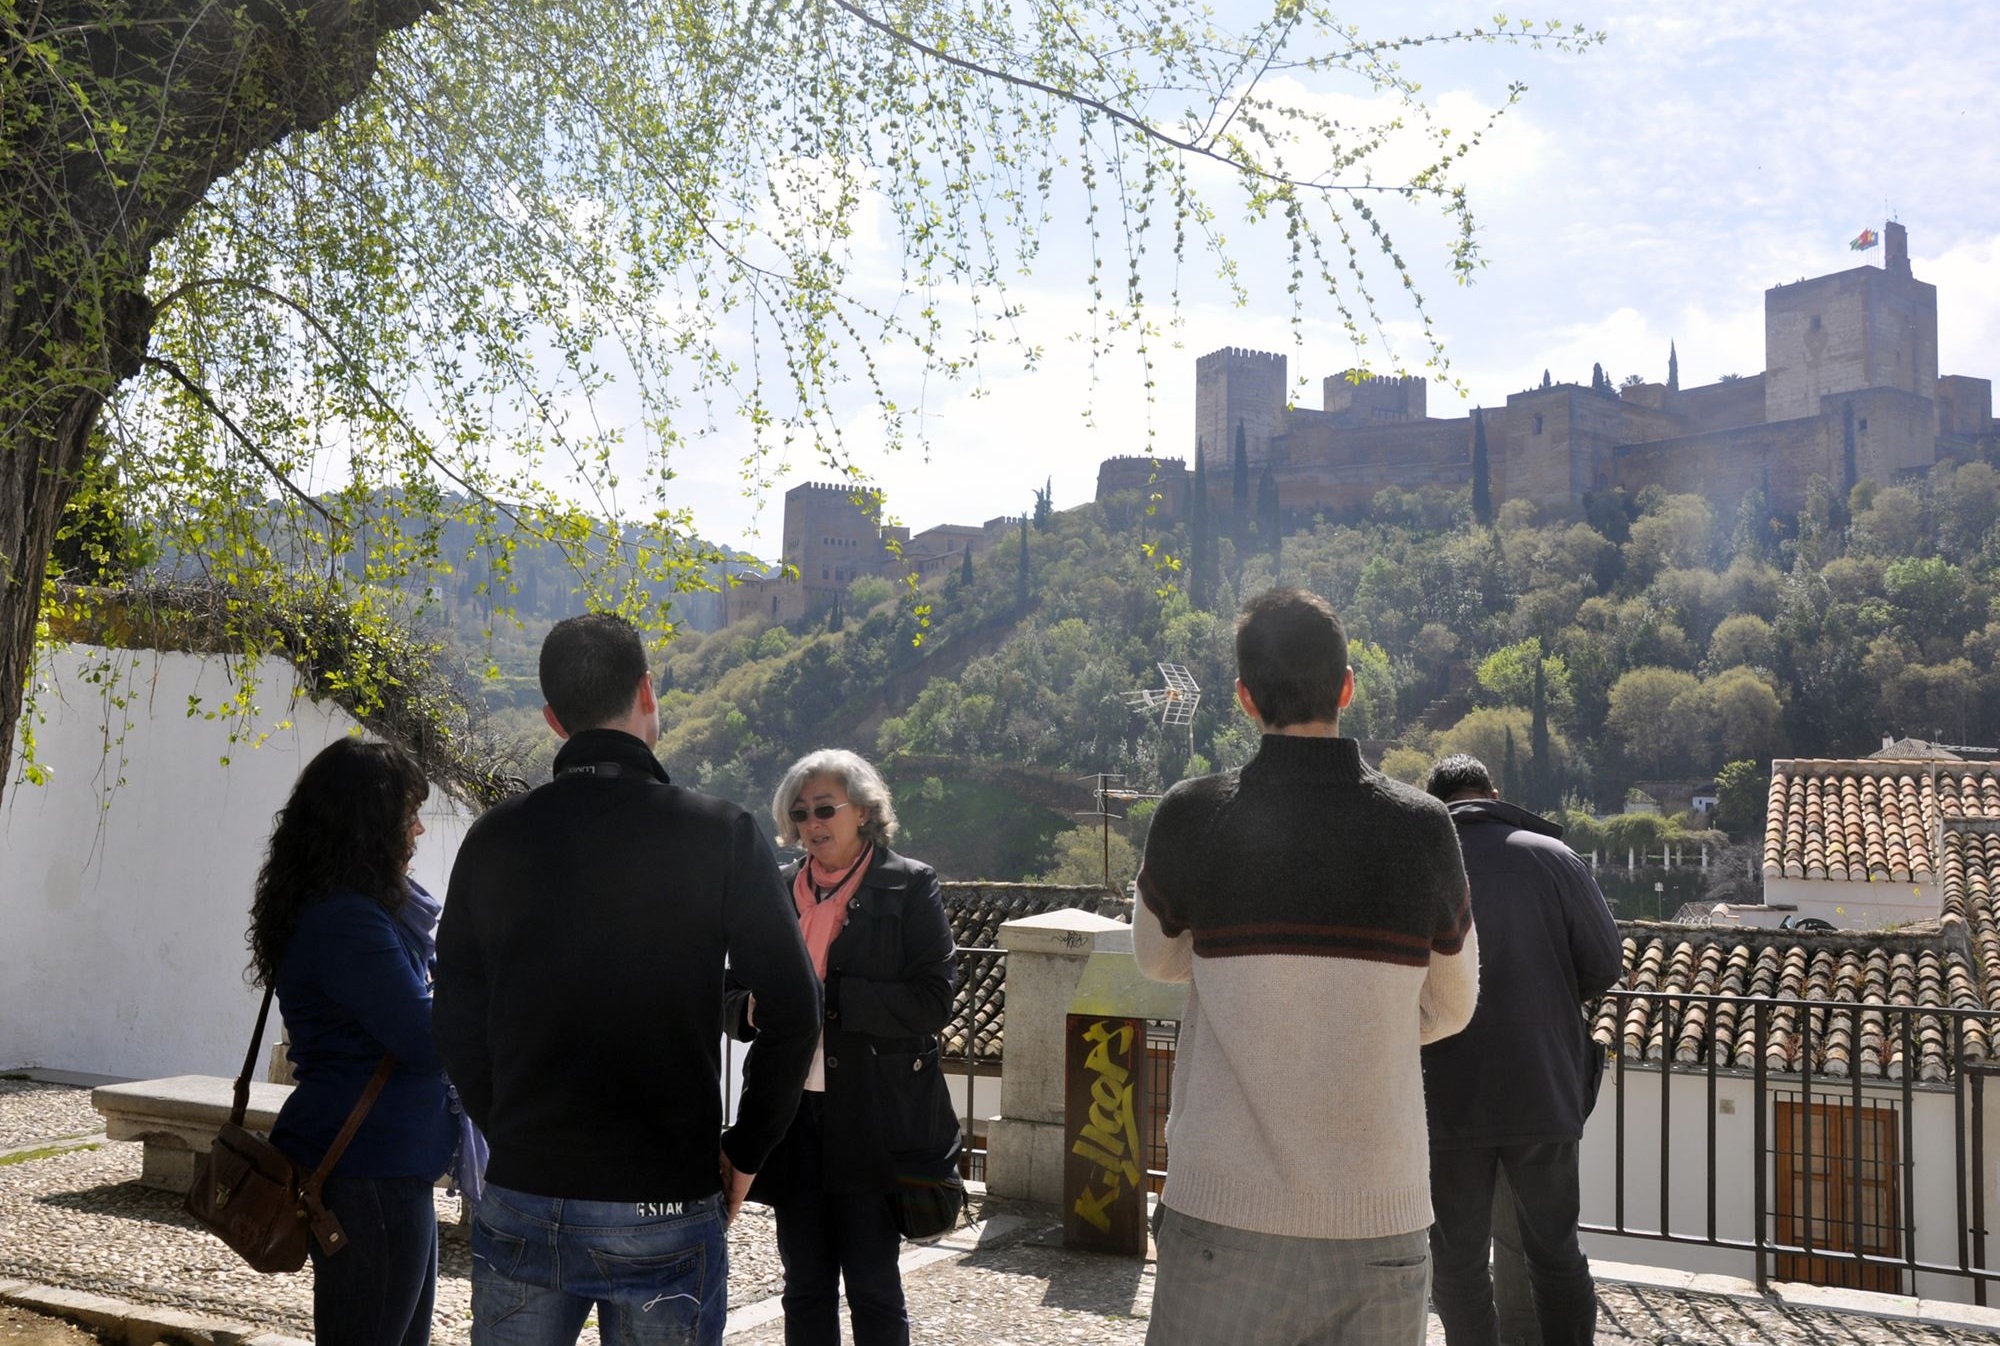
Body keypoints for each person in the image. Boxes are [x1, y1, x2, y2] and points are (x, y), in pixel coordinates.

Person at [435, 612, 821, 1346]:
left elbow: (453, 1014)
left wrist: (508, 1126)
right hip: (665, 1199)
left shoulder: (496, 838)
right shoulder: (720, 834)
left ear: (552, 719)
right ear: (648, 690)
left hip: (524, 1188)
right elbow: (797, 1011)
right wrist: (745, 1151)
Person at [1134, 587, 1480, 1346]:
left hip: (1224, 1210)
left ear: (1243, 698)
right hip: (1378, 1218)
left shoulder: (1191, 814)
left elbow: (1157, 959)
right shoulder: (1424, 829)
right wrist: (1358, 1022)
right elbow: (1452, 1007)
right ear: (1348, 686)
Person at [727, 749, 960, 1346]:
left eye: (825, 809)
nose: (812, 824)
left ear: (864, 812)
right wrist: (751, 1007)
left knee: (873, 1287)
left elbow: (935, 1000)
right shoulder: (777, 891)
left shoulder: (909, 885)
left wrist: (829, 1001)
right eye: (801, 813)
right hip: (790, 1115)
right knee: (803, 1287)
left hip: (872, 1115)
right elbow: (728, 995)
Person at [253, 738, 454, 1346]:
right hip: (370, 1166)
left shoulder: (346, 908)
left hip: (380, 1161)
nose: (418, 829)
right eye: (406, 814)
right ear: (368, 826)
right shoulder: (347, 920)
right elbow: (426, 1038)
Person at [1420, 753, 1623, 1346]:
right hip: (1542, 1087)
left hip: (1444, 1092)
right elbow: (1604, 964)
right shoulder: (1554, 857)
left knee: (1455, 1261)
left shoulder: (1417, 862)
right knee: (1555, 1252)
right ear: (1493, 792)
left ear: (1434, 803)